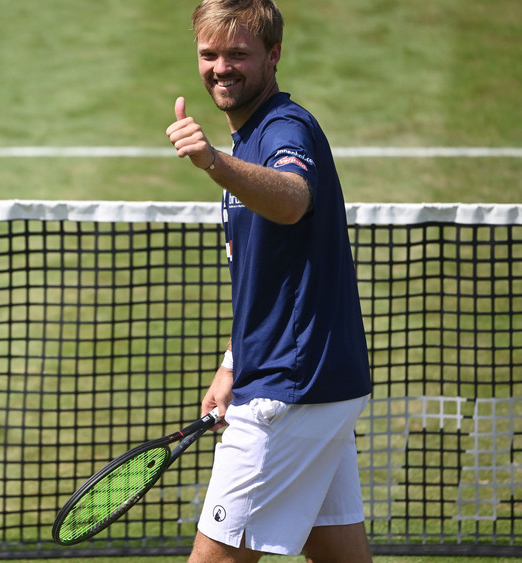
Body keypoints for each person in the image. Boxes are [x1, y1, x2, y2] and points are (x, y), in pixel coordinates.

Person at [165, 1, 373, 561]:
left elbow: (293, 199)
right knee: (339, 554)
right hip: (313, 382)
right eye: (209, 54)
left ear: (274, 55)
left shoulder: (284, 128)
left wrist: (211, 160)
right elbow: (271, 279)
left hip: (291, 389)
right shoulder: (250, 138)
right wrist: (234, 363)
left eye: (238, 54)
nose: (220, 67)